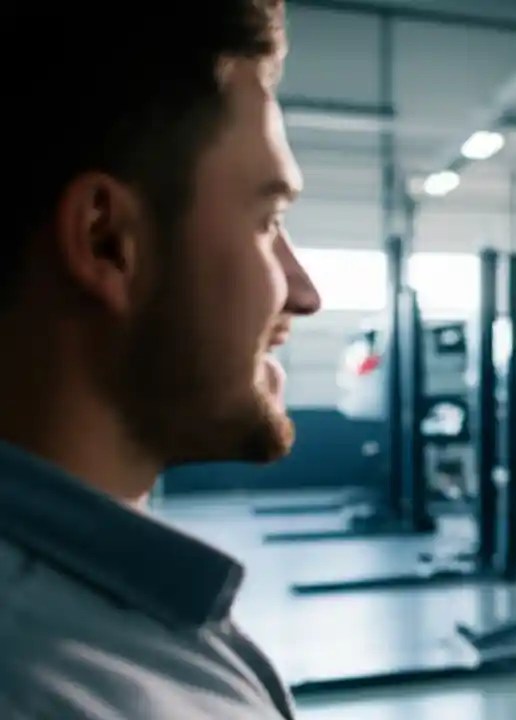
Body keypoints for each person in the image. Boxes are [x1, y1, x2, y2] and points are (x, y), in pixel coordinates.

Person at [0, 2, 321, 718]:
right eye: (268, 221)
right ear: (108, 239)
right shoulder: (51, 684)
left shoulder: (121, 625)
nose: (305, 293)